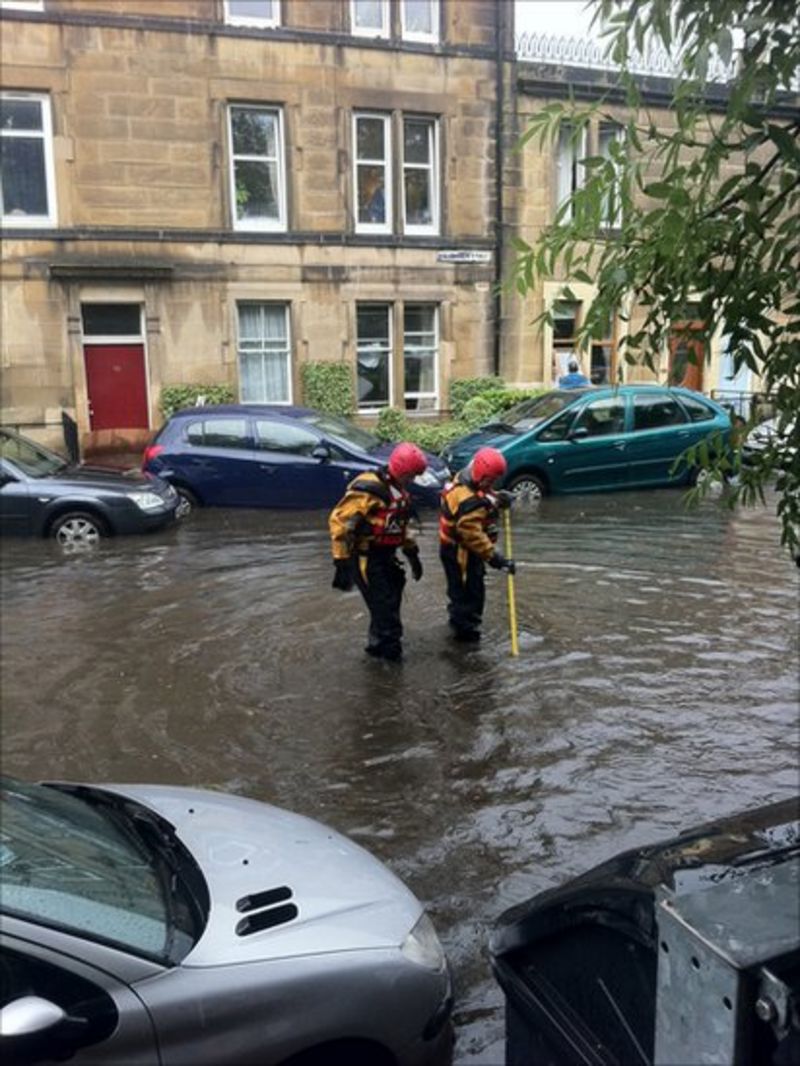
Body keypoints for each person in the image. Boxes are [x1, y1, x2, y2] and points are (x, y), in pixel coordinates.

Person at [329, 442, 427, 662]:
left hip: (386, 557)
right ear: (401, 470)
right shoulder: (368, 489)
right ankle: (392, 666)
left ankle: (376, 649)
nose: (412, 481)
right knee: (386, 612)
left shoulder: (399, 492)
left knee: (390, 603)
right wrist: (341, 561)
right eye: (411, 476)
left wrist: (412, 556)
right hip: (366, 559)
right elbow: (340, 523)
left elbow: (401, 528)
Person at [439, 447, 515, 643]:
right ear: (480, 474)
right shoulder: (468, 500)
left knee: (466, 591)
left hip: (463, 552)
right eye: (490, 480)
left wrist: (498, 499)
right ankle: (466, 639)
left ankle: (459, 625)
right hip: (460, 554)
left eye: (494, 480)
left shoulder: (467, 480)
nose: (492, 484)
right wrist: (495, 558)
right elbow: (472, 534)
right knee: (469, 595)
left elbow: (483, 494)